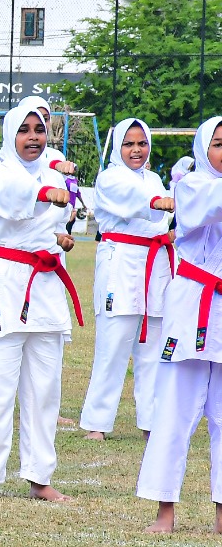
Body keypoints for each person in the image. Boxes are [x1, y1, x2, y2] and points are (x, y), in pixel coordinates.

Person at [0, 103, 81, 502]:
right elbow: (11, 198)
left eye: (39, 130)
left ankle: (39, 476)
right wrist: (45, 193)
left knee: (45, 388)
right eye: (24, 130)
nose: (33, 137)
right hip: (4, 282)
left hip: (44, 284)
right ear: (11, 134)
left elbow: (56, 221)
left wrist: (60, 237)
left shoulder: (52, 172)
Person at [136, 116, 222, 534]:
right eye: (220, 143)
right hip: (192, 304)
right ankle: (164, 509)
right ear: (203, 148)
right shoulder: (190, 186)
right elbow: (210, 206)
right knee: (176, 407)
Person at [79, 118, 174, 440]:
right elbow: (132, 199)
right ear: (118, 146)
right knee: (113, 344)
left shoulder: (155, 178)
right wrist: (154, 202)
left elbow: (163, 217)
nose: (136, 150)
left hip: (156, 263)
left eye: (142, 143)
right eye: (129, 144)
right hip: (121, 261)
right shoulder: (110, 177)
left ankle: (151, 421)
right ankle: (97, 423)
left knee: (153, 346)